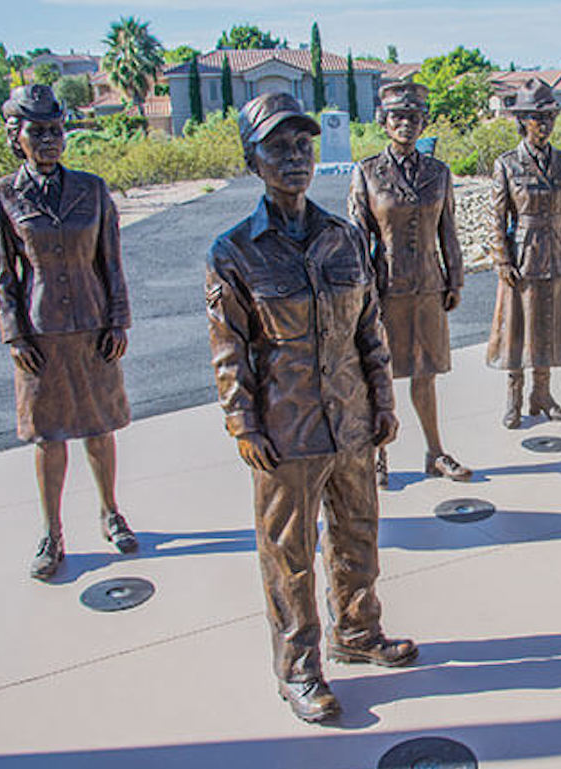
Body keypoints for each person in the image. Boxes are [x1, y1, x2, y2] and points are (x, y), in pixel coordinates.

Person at [205, 93, 416, 725]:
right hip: (285, 430)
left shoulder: (344, 238)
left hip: (350, 420)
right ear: (253, 160)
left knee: (358, 536)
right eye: (278, 147)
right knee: (288, 556)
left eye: (303, 144)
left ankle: (357, 632)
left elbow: (368, 331)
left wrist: (381, 402)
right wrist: (242, 423)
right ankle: (297, 667)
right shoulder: (234, 251)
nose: (295, 158)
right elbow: (228, 350)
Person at [0, 85, 137, 581]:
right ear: (16, 136)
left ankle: (111, 511)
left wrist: (118, 319)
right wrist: (14, 337)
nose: (50, 140)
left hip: (93, 328)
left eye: (56, 130)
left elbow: (111, 261)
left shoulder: (92, 190)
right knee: (48, 438)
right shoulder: (1, 196)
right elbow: (2, 275)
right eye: (37, 131)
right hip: (41, 333)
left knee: (99, 429)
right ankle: (52, 531)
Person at [348, 81, 471, 488]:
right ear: (384, 123)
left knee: (426, 373)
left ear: (424, 123)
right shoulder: (366, 173)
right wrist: (362, 295)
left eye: (414, 117)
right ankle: (377, 454)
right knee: (377, 374)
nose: (406, 124)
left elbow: (447, 230)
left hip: (428, 287)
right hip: (384, 290)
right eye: (398, 117)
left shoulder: (438, 173)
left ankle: (435, 453)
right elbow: (356, 239)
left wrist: (455, 277)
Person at [486, 78, 561, 428]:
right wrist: (503, 260)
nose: (544, 125)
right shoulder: (508, 164)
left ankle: (541, 395)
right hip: (523, 256)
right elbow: (498, 218)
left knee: (549, 325)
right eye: (536, 118)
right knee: (516, 329)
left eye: (549, 118)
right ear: (522, 121)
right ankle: (514, 396)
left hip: (557, 252)